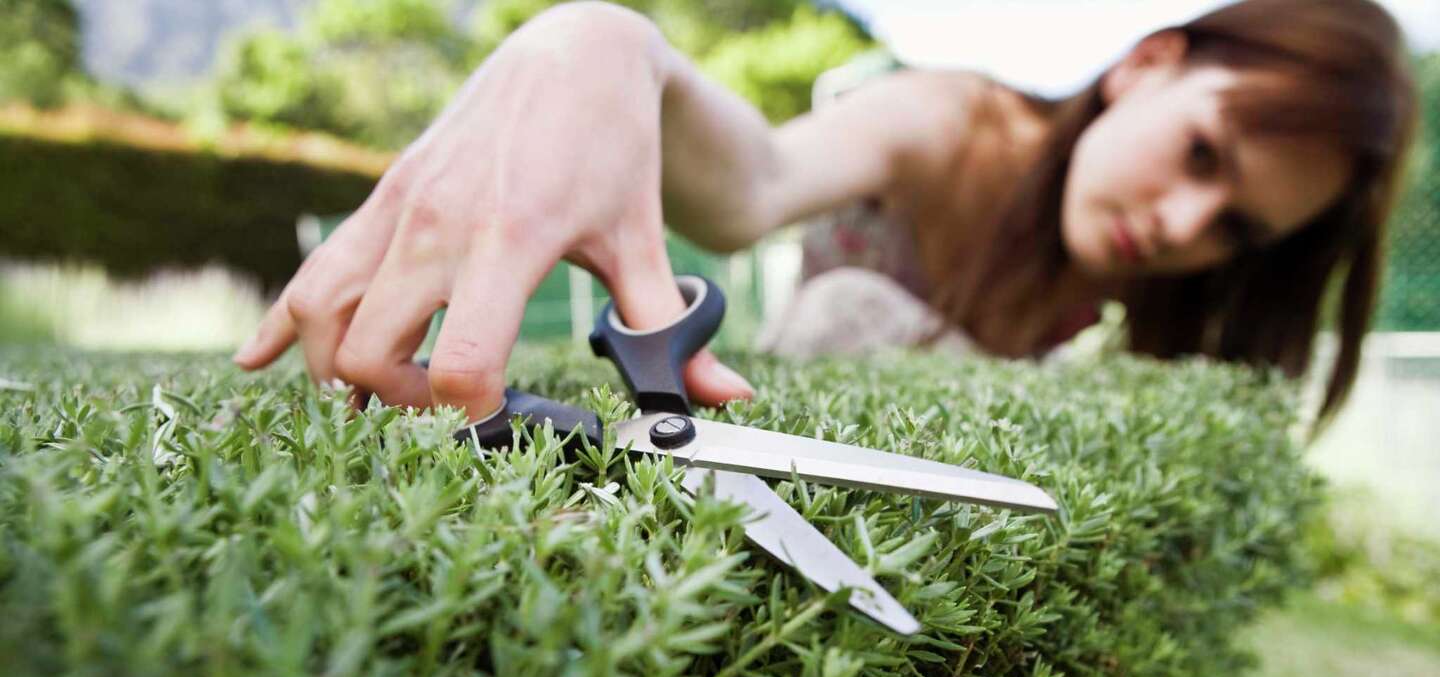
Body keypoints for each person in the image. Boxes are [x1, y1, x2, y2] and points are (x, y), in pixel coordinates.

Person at [230, 0, 1417, 427]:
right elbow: (748, 186)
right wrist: (599, 44)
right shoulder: (946, 122)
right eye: (1202, 152)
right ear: (1148, 61)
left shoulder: (1156, 281)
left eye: (1235, 229)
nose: (1179, 223)